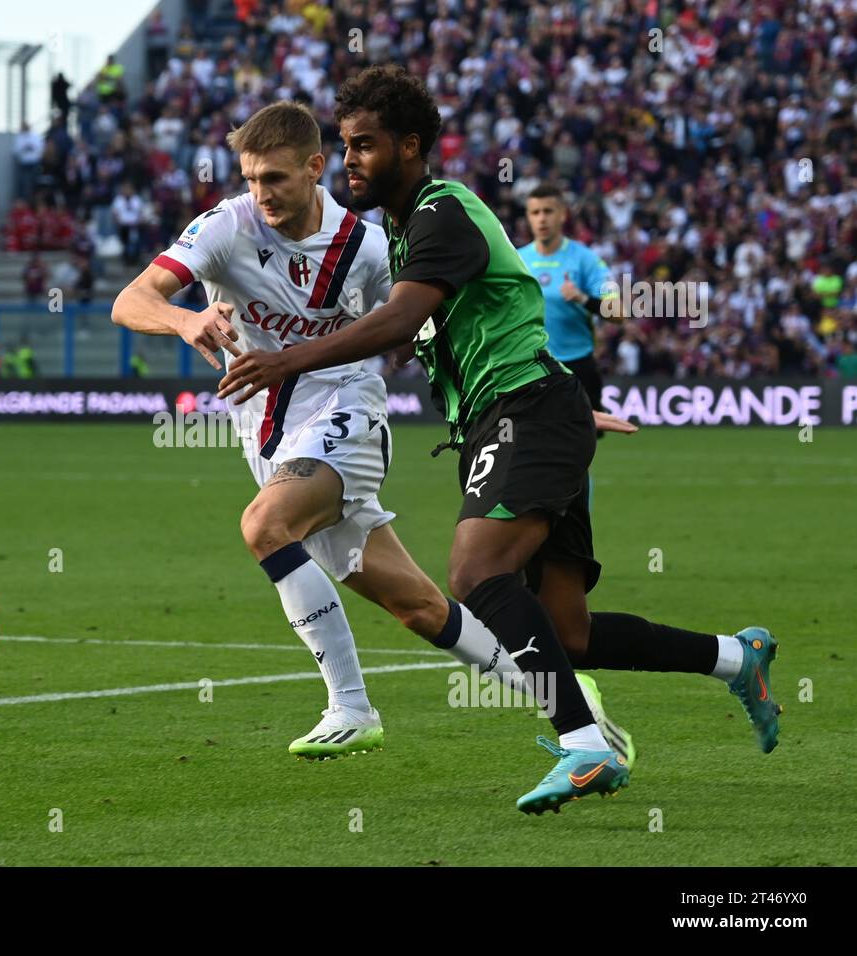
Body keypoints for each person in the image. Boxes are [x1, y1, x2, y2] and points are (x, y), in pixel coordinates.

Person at [217, 68, 781, 812]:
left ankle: (584, 747)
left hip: (524, 411)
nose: (348, 159)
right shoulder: (401, 228)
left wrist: (283, 360)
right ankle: (737, 658)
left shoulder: (441, 212)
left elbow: (391, 325)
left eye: (364, 145)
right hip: (531, 413)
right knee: (567, 636)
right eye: (345, 144)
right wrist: (576, 413)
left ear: (409, 147)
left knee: (475, 573)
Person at [113, 101, 631, 760]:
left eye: (274, 178)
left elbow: (452, 328)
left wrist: (551, 394)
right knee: (419, 606)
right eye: (249, 179)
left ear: (315, 167)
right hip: (269, 433)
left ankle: (350, 706)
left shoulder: (369, 247)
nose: (260, 194)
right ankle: (570, 704)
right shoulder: (226, 226)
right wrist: (184, 321)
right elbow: (131, 300)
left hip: (347, 414)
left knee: (264, 527)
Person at [517, 183, 617, 415]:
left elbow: (618, 313)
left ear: (562, 214)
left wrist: (583, 298)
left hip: (577, 367)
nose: (542, 219)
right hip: (531, 366)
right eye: (535, 212)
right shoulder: (516, 260)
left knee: (579, 447)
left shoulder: (587, 260)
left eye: (548, 211)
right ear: (528, 218)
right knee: (535, 444)